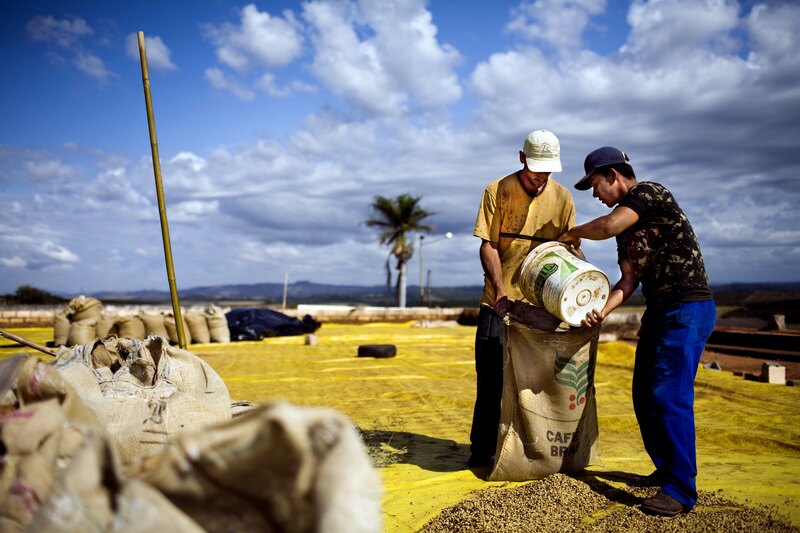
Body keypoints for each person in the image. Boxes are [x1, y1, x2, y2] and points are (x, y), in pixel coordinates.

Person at [559, 146, 716, 517]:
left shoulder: (649, 193)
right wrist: (600, 310)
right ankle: (667, 471)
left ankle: (680, 489)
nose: (595, 194)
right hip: (659, 310)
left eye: (595, 185)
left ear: (613, 175)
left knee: (668, 394)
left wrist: (573, 233)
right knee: (644, 394)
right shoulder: (624, 232)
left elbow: (609, 224)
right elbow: (627, 280)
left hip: (687, 307)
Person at [468, 129, 577, 468]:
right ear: (521, 159)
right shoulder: (497, 191)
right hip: (498, 303)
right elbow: (487, 244)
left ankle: (533, 453)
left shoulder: (563, 199)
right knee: (491, 382)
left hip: (540, 308)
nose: (540, 178)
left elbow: (570, 251)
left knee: (538, 385)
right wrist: (500, 290)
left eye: (546, 172)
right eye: (534, 171)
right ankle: (483, 452)